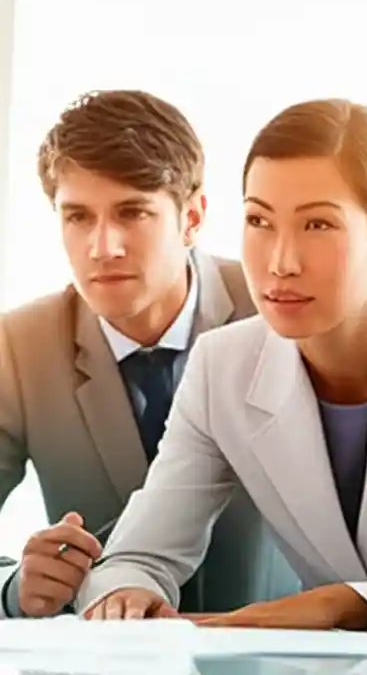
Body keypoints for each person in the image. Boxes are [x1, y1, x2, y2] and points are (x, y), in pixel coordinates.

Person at [73, 99, 367, 633]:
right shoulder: (221, 365)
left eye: (318, 224)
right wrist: (127, 593)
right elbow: (138, 554)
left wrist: (335, 604)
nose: (281, 262)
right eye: (258, 221)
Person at [0, 90, 296, 620]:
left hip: (287, 652)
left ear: (193, 216)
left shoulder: (281, 316)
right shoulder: (19, 347)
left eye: (132, 212)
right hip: (110, 658)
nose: (103, 246)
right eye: (77, 217)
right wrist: (13, 588)